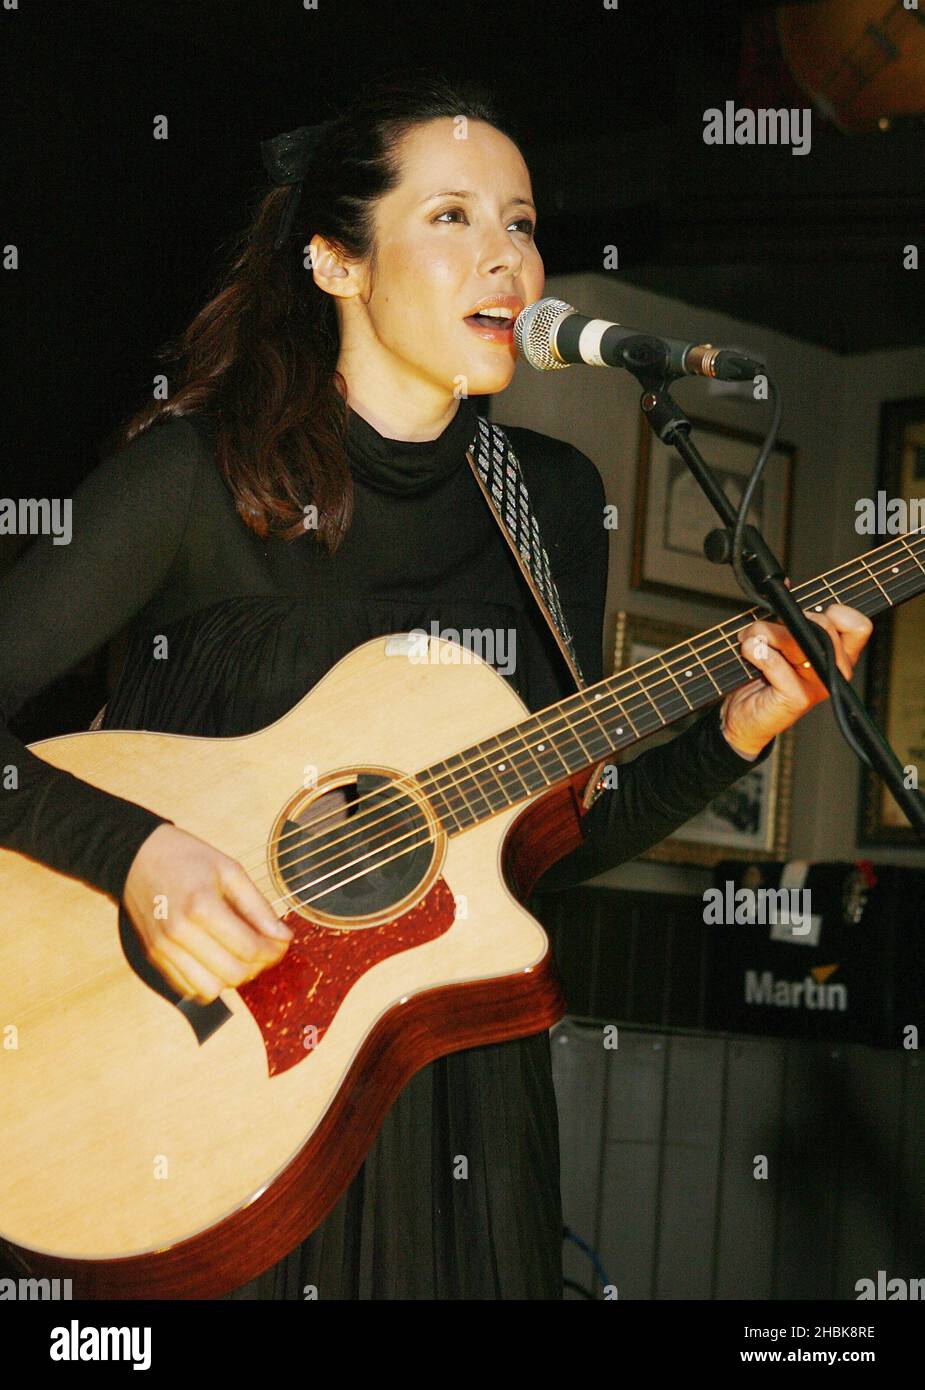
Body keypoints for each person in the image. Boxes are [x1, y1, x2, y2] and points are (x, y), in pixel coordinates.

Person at [0, 71, 872, 1300]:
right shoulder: (194, 474)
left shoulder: (550, 501)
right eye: (453, 216)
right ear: (335, 263)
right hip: (195, 1068)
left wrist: (733, 735)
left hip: (450, 1090)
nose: (507, 256)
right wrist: (142, 853)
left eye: (520, 221)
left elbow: (530, 842)